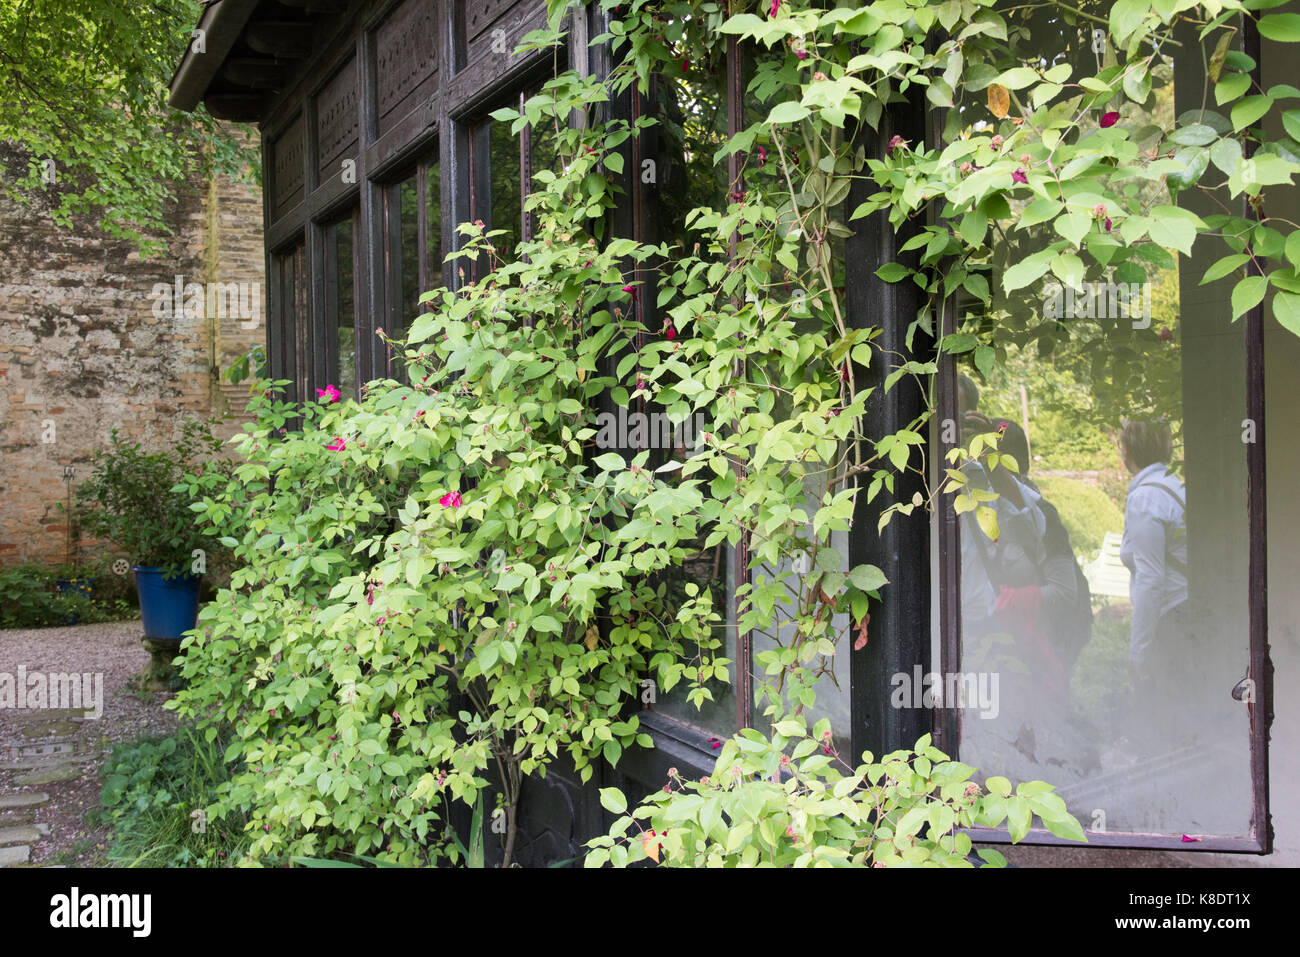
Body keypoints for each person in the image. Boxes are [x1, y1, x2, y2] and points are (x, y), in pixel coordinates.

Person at [1117, 417, 1190, 752]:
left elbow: (1151, 579)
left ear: (1127, 450)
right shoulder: (1177, 484)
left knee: (1168, 721)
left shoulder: (1146, 497)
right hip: (1187, 611)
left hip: (1170, 620)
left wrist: (1139, 651)